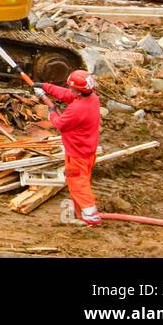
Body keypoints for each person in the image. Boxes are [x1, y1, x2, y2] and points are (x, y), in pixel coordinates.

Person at [40, 69, 102, 226]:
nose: (69, 90)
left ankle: (91, 216)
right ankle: (80, 213)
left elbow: (60, 124)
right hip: (87, 152)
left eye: (72, 87)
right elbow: (67, 95)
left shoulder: (77, 109)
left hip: (76, 154)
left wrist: (51, 113)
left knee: (78, 184)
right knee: (79, 181)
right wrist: (45, 87)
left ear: (79, 92)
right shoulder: (92, 99)